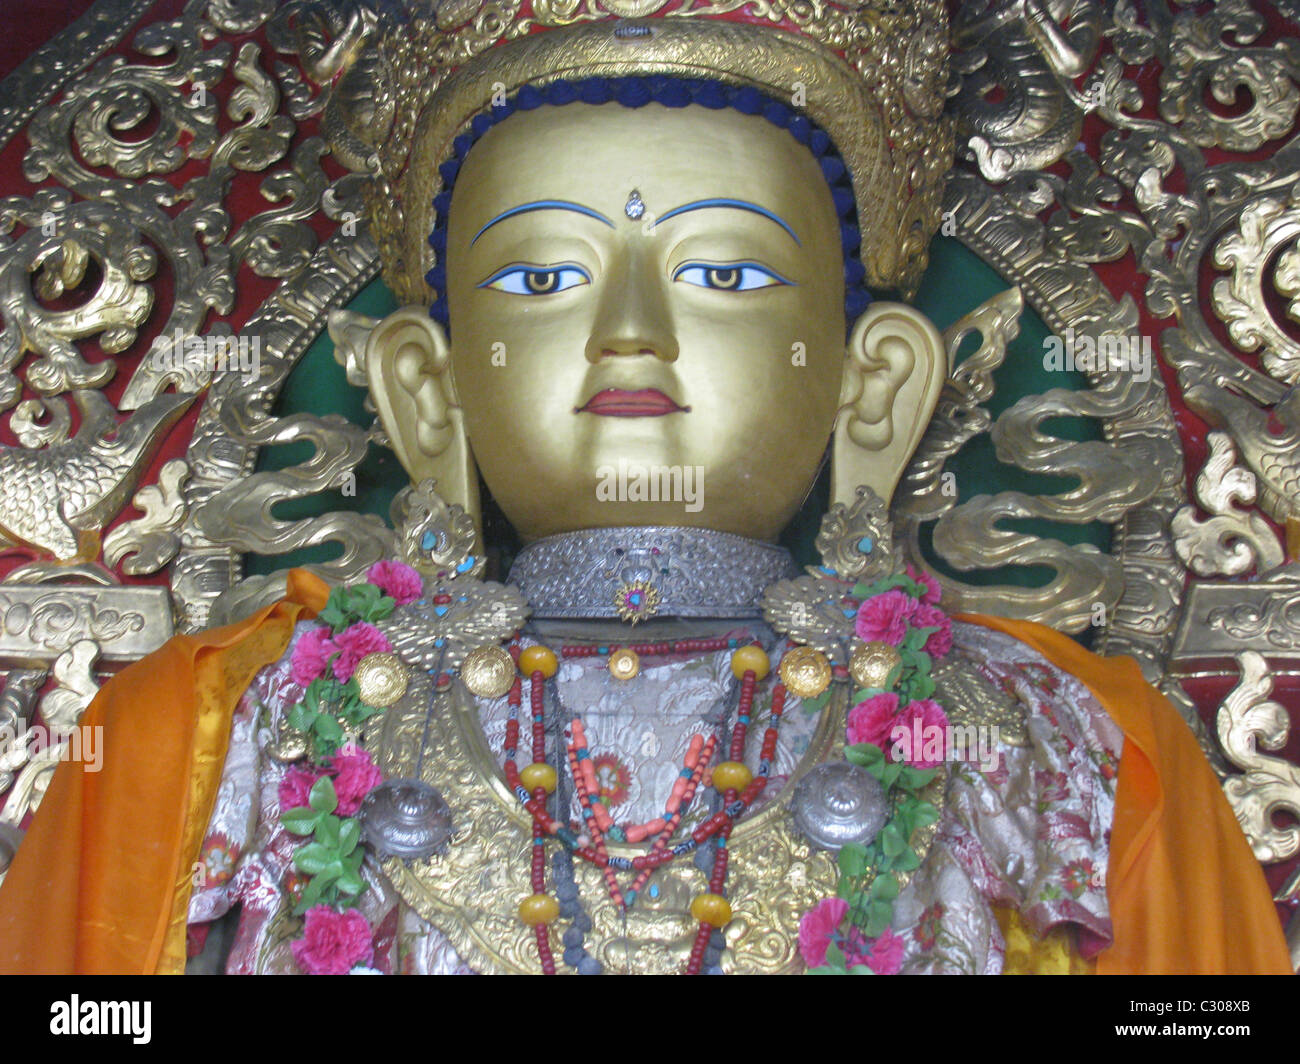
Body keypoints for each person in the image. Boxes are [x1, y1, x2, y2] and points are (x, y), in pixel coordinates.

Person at [0, 1, 1288, 975]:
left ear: (873, 385)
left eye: (723, 275)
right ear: (423, 395)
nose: (630, 337)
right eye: (543, 278)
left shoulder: (1062, 741)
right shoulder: (218, 736)